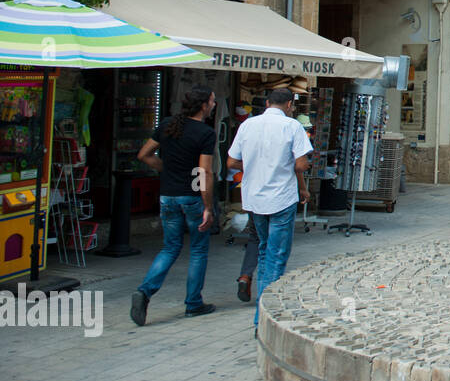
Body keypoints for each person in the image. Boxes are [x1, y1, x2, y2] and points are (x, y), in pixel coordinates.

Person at [227, 88, 313, 332]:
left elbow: (232, 162)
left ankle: (262, 314)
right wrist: (303, 176)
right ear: (288, 104)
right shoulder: (292, 127)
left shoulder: (248, 126)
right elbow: (300, 164)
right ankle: (263, 319)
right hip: (281, 199)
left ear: (266, 103)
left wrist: (255, 165)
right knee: (277, 256)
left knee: (264, 251)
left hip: (255, 198)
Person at [130, 87, 217, 325]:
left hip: (167, 196)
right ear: (203, 105)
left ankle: (145, 291)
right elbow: (204, 171)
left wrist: (166, 170)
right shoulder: (205, 133)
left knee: (170, 248)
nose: (213, 104)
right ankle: (193, 303)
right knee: (198, 251)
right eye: (212, 100)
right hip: (191, 197)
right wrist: (207, 205)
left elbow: (144, 154)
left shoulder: (168, 124)